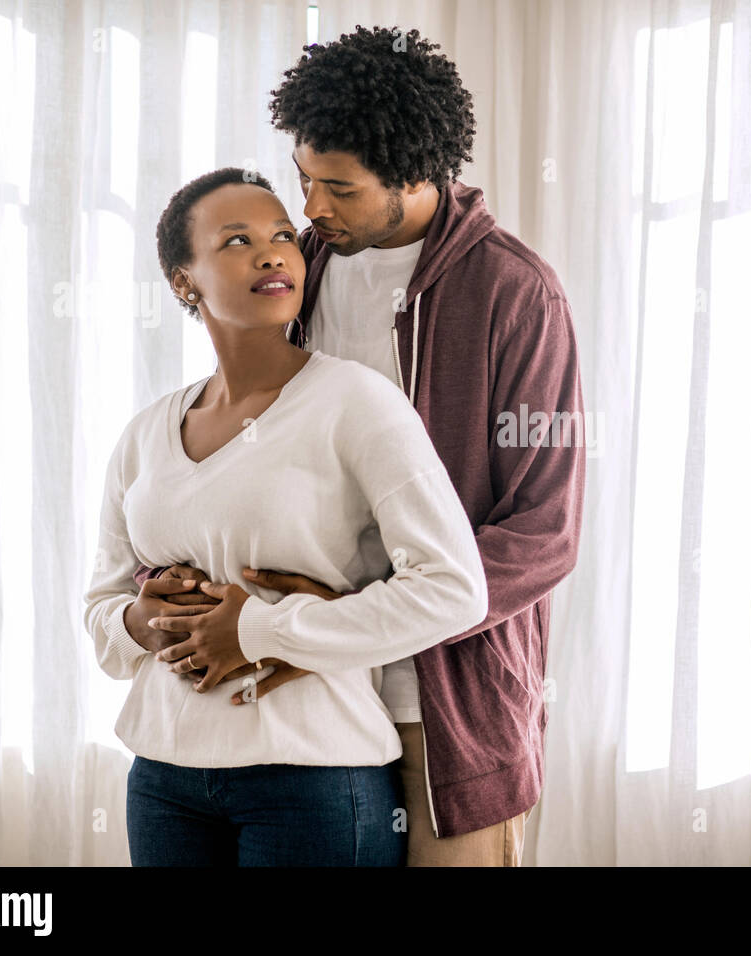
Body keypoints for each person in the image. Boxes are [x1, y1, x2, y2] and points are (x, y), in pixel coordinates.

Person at [132, 25, 587, 867]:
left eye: (336, 188)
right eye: (304, 180)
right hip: (305, 707)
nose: (309, 210)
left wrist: (345, 614)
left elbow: (545, 531)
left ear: (414, 174)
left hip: (443, 707)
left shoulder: (515, 294)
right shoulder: (299, 270)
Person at [83, 166, 487, 866]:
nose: (272, 254)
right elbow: (102, 604)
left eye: (281, 237)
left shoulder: (357, 403)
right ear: (184, 280)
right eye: (237, 240)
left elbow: (453, 588)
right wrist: (139, 623)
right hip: (162, 778)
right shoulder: (145, 432)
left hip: (315, 780)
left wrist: (263, 630)